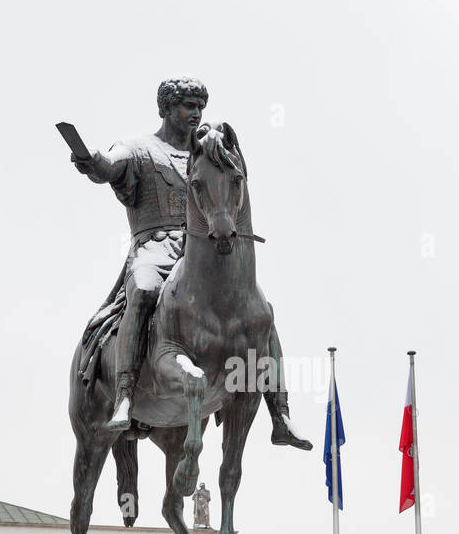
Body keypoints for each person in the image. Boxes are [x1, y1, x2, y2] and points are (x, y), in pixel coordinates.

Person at [72, 76, 311, 450]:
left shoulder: (206, 155)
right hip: (152, 250)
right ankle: (125, 394)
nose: (195, 113)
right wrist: (92, 161)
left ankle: (279, 412)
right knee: (145, 292)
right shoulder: (139, 149)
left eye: (199, 107)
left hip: (196, 255)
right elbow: (109, 166)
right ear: (166, 109)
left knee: (260, 310)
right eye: (187, 106)